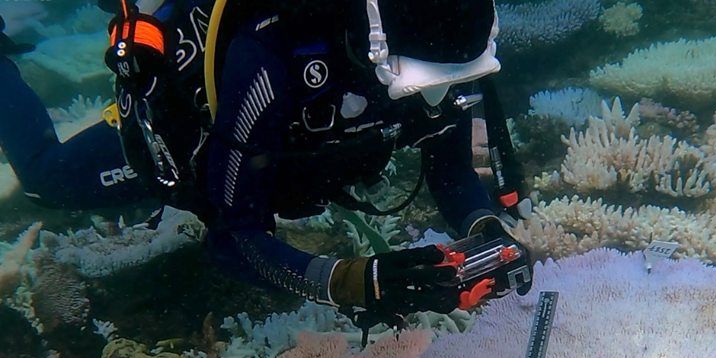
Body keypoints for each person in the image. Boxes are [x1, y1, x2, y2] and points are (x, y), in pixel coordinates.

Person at [0, 0, 532, 333]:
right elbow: (236, 236)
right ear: (374, 47)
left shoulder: (451, 47)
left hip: (299, 155)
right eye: (422, 86)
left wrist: (487, 232)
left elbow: (451, 174)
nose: (440, 99)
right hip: (213, 139)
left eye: (456, 84)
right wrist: (354, 282)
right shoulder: (270, 57)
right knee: (47, 181)